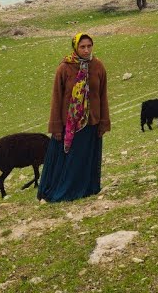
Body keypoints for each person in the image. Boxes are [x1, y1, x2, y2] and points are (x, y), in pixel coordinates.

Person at [38, 32, 110, 202]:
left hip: (91, 122)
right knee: (69, 161)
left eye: (89, 46)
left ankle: (87, 189)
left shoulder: (98, 66)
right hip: (69, 125)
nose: (86, 50)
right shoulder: (64, 67)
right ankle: (65, 192)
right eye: (82, 47)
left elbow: (102, 95)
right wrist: (55, 126)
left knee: (86, 159)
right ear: (75, 48)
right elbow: (57, 97)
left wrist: (103, 122)